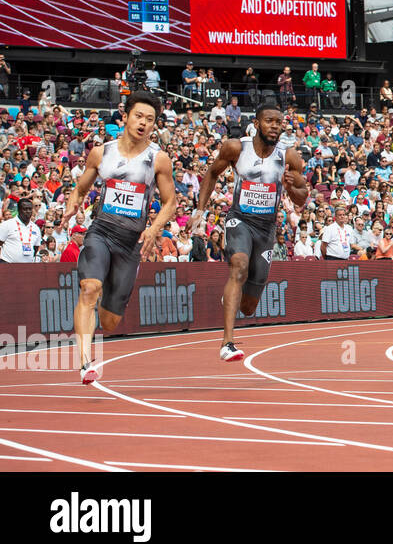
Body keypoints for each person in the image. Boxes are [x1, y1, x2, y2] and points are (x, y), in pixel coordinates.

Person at [61, 92, 177, 384]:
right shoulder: (102, 152)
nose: (143, 123)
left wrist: (153, 228)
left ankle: (109, 295)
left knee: (110, 321)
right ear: (125, 116)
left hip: (130, 243)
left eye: (150, 120)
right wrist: (73, 201)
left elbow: (170, 202)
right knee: (89, 288)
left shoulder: (157, 159)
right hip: (101, 230)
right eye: (139, 116)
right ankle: (86, 362)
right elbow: (80, 187)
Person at [191, 104, 309, 361]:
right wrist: (199, 213)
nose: (275, 126)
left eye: (279, 122)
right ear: (257, 123)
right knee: (238, 265)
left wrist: (290, 189)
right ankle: (227, 343)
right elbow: (211, 174)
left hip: (266, 228)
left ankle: (232, 301)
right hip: (239, 219)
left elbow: (302, 198)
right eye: (269, 121)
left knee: (248, 307)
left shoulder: (288, 157)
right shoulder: (236, 147)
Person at [0, 196, 42, 263]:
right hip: (7, 265)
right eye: (25, 209)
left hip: (27, 267)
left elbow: (36, 248)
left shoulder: (36, 228)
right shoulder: (7, 225)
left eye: (30, 209)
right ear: (19, 210)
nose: (28, 211)